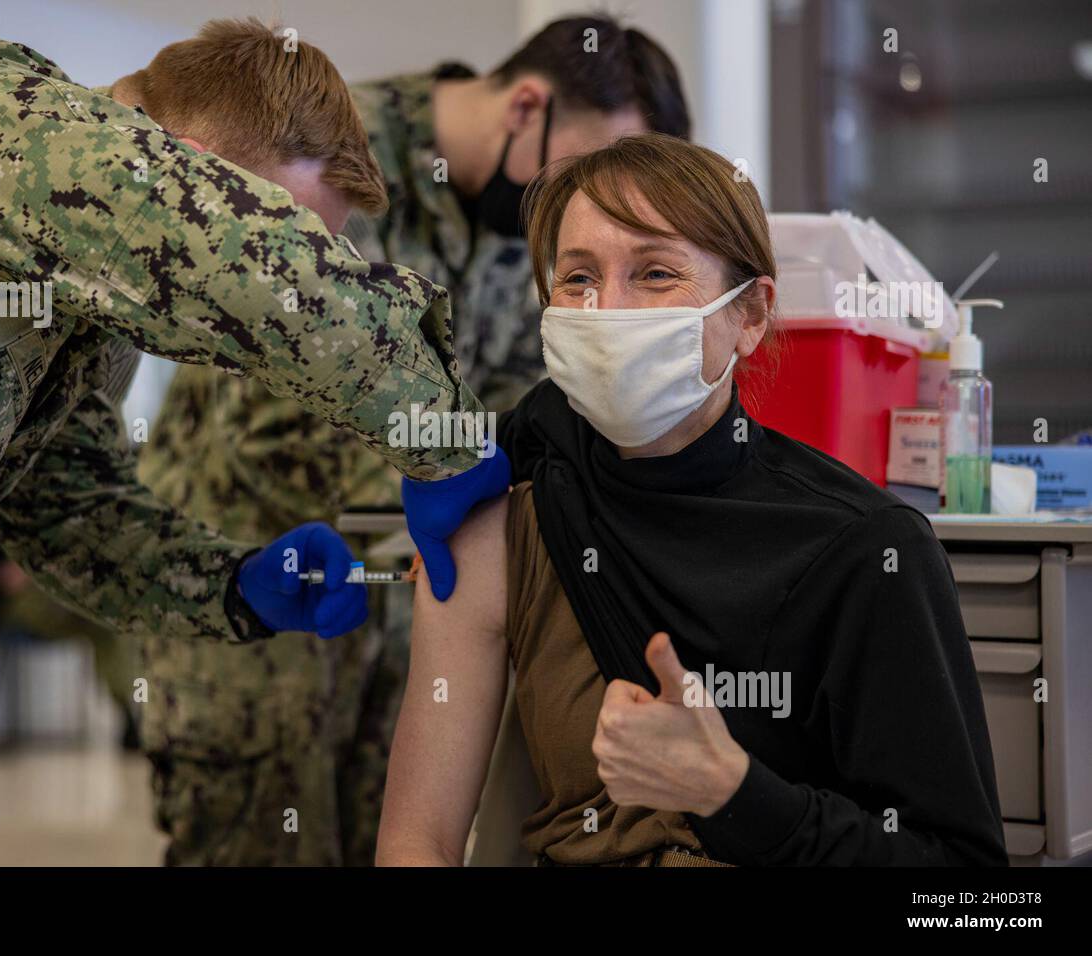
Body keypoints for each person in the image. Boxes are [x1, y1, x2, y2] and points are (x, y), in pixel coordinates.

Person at [0, 20, 507, 867]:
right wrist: (449, 443)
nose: (304, 260)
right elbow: (259, 274)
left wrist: (231, 586)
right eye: (283, 225)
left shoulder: (74, 307)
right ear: (187, 165)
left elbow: (63, 508)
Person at [138, 14, 692, 865]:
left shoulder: (528, 232)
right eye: (582, 168)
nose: (588, 205)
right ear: (527, 107)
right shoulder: (320, 159)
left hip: (404, 613)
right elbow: (267, 427)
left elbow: (519, 393)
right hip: (260, 587)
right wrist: (470, 451)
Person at [377, 133, 1008, 867]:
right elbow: (416, 840)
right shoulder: (510, 526)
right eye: (578, 277)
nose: (607, 311)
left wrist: (732, 792)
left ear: (751, 315)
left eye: (655, 273)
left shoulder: (867, 549)